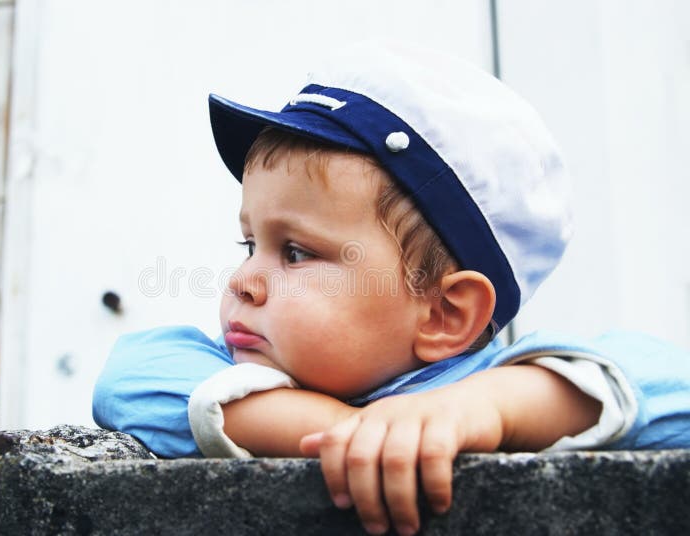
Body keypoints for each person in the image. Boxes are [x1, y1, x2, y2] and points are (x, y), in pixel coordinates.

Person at [93, 43, 690, 536]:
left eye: (296, 252)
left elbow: (671, 387)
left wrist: (483, 409)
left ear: (443, 314)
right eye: (250, 245)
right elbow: (131, 377)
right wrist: (332, 428)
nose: (243, 281)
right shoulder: (244, 375)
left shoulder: (474, 394)